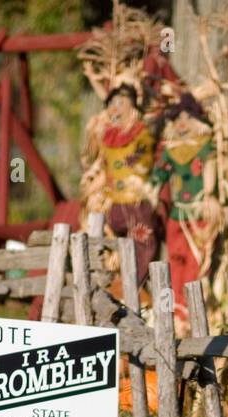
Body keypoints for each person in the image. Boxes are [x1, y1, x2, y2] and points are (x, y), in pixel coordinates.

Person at [151, 94, 219, 333]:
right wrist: (149, 192)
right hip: (177, 214)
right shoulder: (171, 151)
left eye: (186, 117)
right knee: (176, 259)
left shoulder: (204, 146)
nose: (181, 123)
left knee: (195, 262)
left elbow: (210, 172)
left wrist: (209, 196)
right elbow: (158, 176)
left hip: (197, 213)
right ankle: (176, 312)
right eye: (177, 118)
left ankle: (192, 313)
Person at [81, 84, 160, 285]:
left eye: (120, 104)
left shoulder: (141, 135)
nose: (114, 110)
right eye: (111, 105)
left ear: (133, 109)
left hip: (135, 203)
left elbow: (143, 162)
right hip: (112, 204)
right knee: (104, 247)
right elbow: (99, 165)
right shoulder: (106, 138)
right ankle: (107, 286)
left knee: (143, 246)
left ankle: (133, 289)